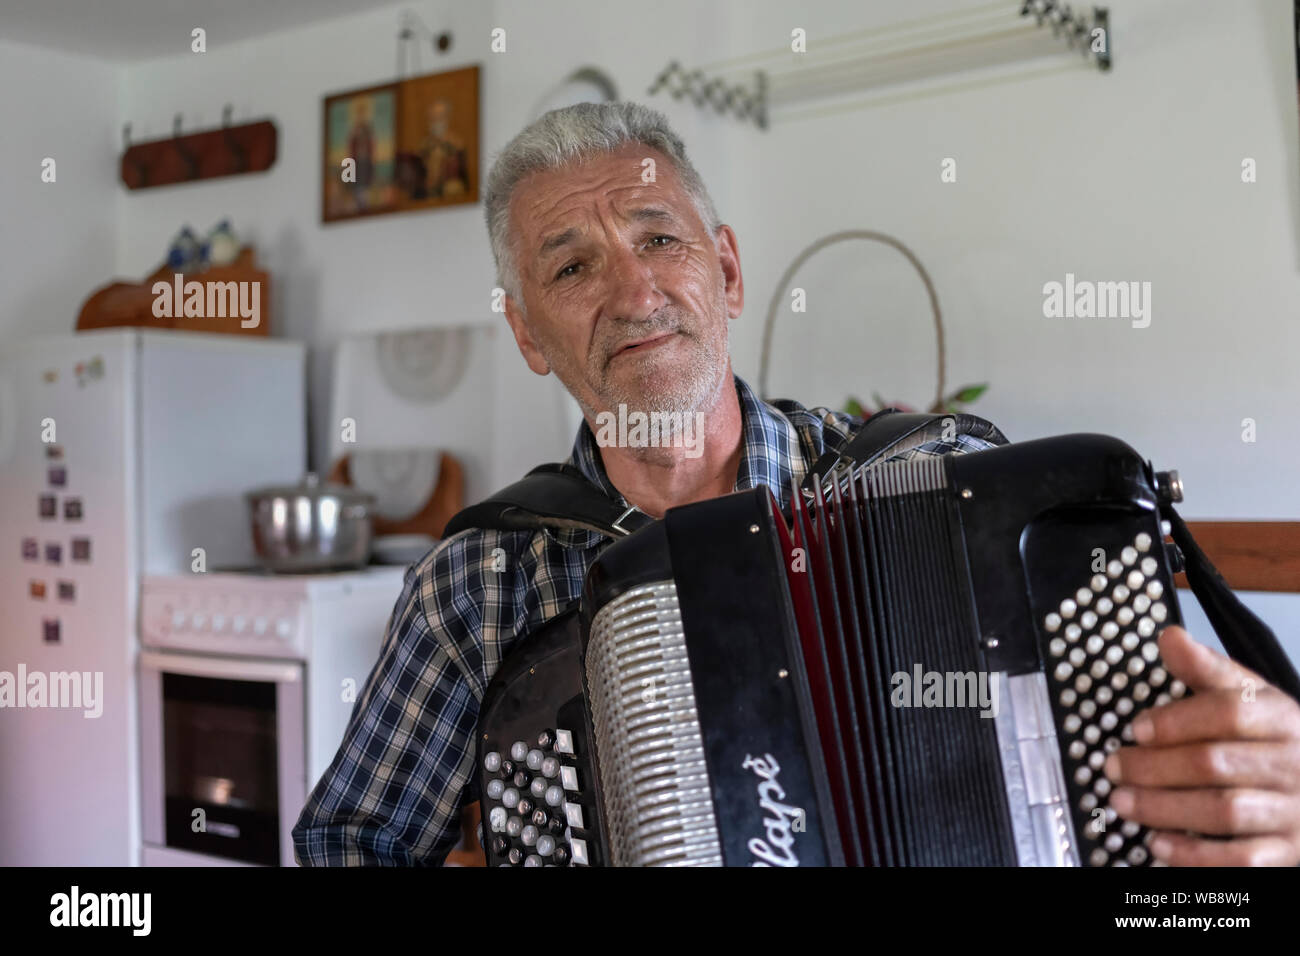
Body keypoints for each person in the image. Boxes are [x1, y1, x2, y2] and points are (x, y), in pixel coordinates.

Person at [293, 101, 1300, 867]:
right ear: (526, 334)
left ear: (725, 271)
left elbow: (1189, 798)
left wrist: (1262, 791)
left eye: (658, 238)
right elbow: (350, 841)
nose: (635, 292)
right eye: (571, 268)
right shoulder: (479, 581)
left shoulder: (930, 483)